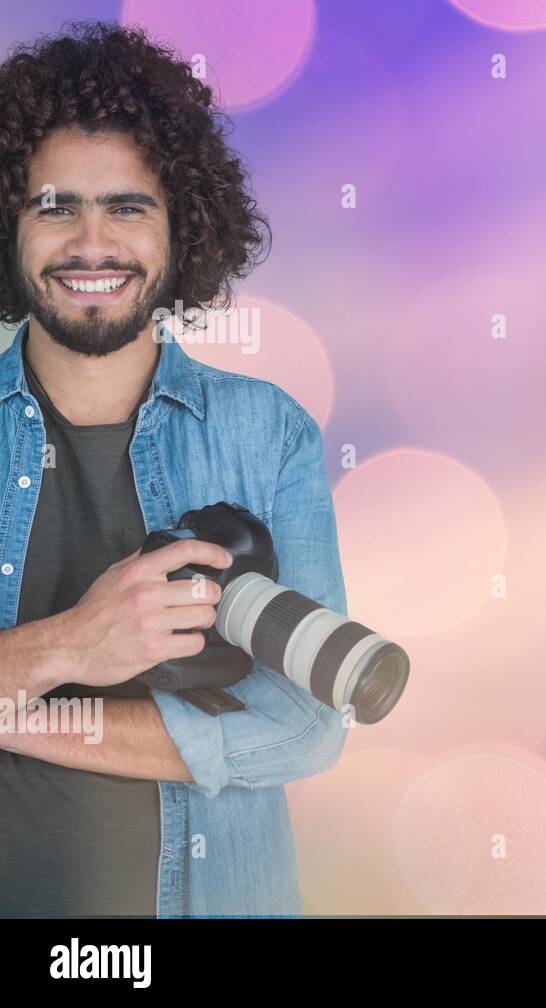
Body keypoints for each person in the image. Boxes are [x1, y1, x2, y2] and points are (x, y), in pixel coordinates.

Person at [0, 21, 348, 916]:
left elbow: (306, 727)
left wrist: (22, 715)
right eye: (53, 205)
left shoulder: (266, 433)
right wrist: (71, 644)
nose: (90, 243)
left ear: (180, 226)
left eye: (127, 206)